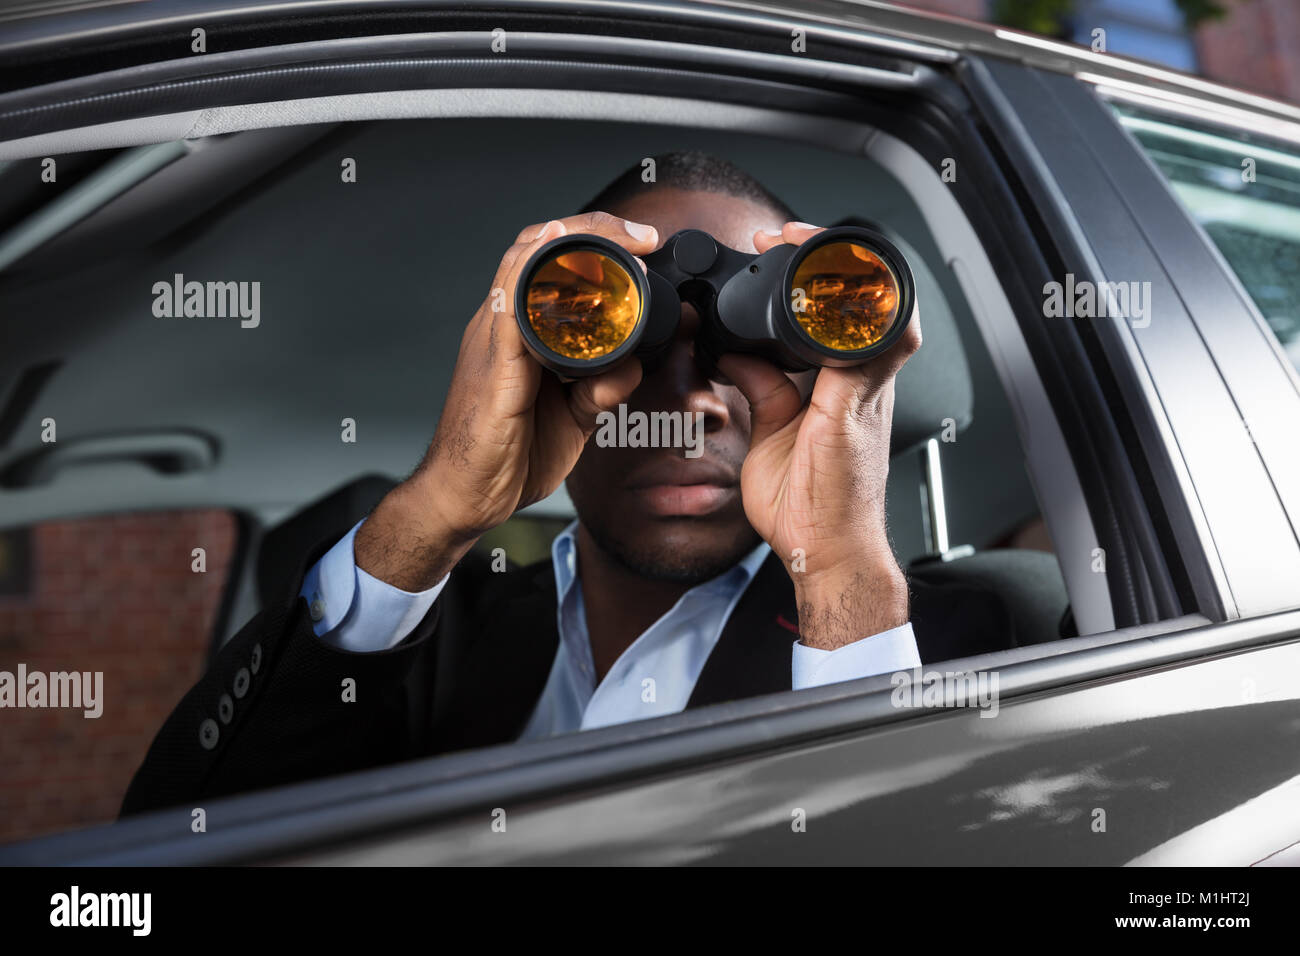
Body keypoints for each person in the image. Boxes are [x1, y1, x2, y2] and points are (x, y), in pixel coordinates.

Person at [121, 151, 1009, 815]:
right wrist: (436, 507)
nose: (692, 401)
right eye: (629, 339)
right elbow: (176, 839)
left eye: (752, 343)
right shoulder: (434, 643)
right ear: (545, 376)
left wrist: (841, 573)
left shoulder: (965, 646)